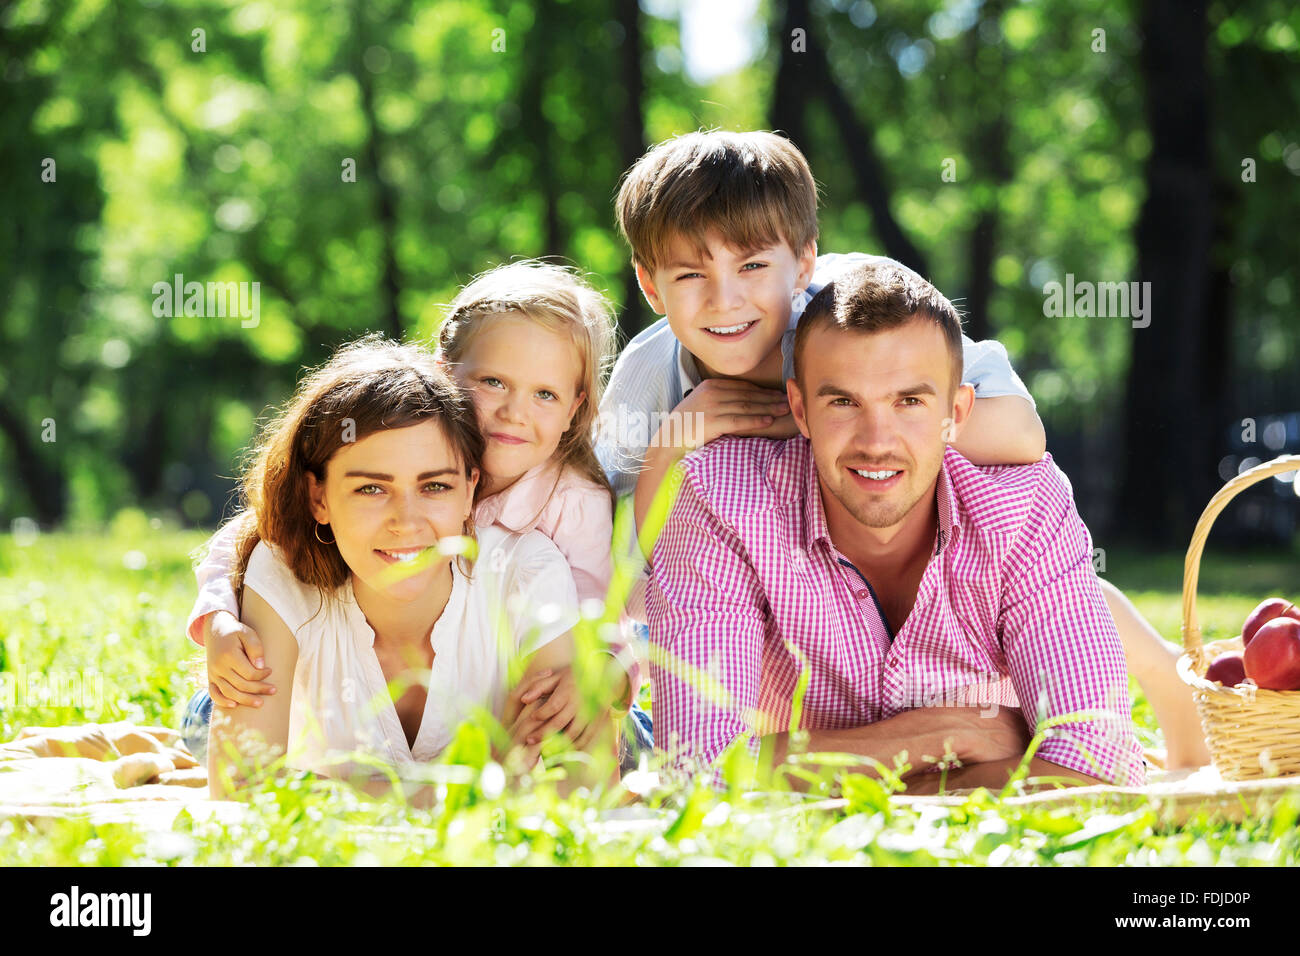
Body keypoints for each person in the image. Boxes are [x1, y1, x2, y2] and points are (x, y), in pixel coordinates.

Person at [599, 128, 1206, 768]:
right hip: (761, 558)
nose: (725, 299)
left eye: (751, 266)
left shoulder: (860, 310)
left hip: (907, 512)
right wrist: (673, 444)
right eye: (693, 274)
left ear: (803, 261)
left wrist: (827, 423)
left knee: (1014, 560)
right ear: (650, 285)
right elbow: (627, 554)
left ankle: (1164, 679)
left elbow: (1022, 434)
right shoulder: (647, 376)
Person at [646, 259, 1148, 792]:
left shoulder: (1023, 509)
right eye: (843, 401)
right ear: (799, 408)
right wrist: (940, 738)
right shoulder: (717, 500)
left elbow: (1102, 762)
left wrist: (863, 792)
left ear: (956, 412)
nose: (876, 441)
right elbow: (696, 767)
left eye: (909, 401)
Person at [187, 264, 644, 767]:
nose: (516, 412)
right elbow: (259, 532)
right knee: (210, 716)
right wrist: (219, 618)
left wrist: (598, 672)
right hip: (337, 690)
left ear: (575, 407)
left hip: (529, 690)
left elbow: (598, 610)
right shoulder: (399, 443)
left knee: (628, 745)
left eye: (545, 394)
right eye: (493, 382)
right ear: (445, 374)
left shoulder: (572, 500)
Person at [199, 338, 590, 798]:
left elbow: (583, 789)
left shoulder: (525, 571)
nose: (405, 522)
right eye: (371, 489)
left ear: (471, 489)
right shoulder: (283, 570)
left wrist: (340, 791)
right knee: (196, 723)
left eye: (436, 487)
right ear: (318, 497)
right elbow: (238, 789)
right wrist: (474, 793)